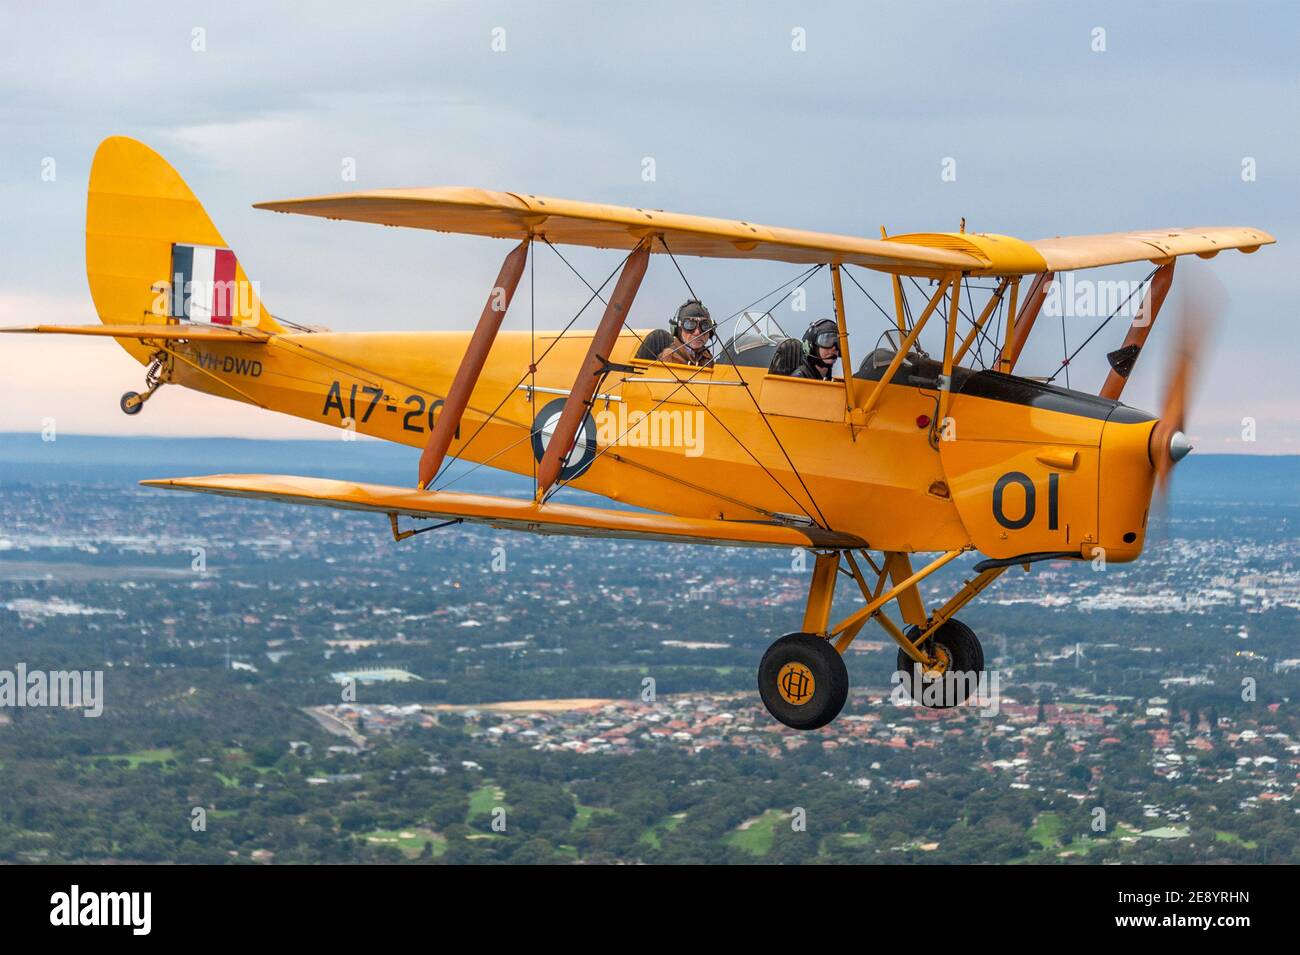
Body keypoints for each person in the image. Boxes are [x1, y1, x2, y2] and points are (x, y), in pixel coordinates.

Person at [635, 299, 715, 367]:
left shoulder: (707, 357)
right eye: (690, 325)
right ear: (677, 329)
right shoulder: (669, 358)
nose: (697, 332)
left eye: (705, 325)